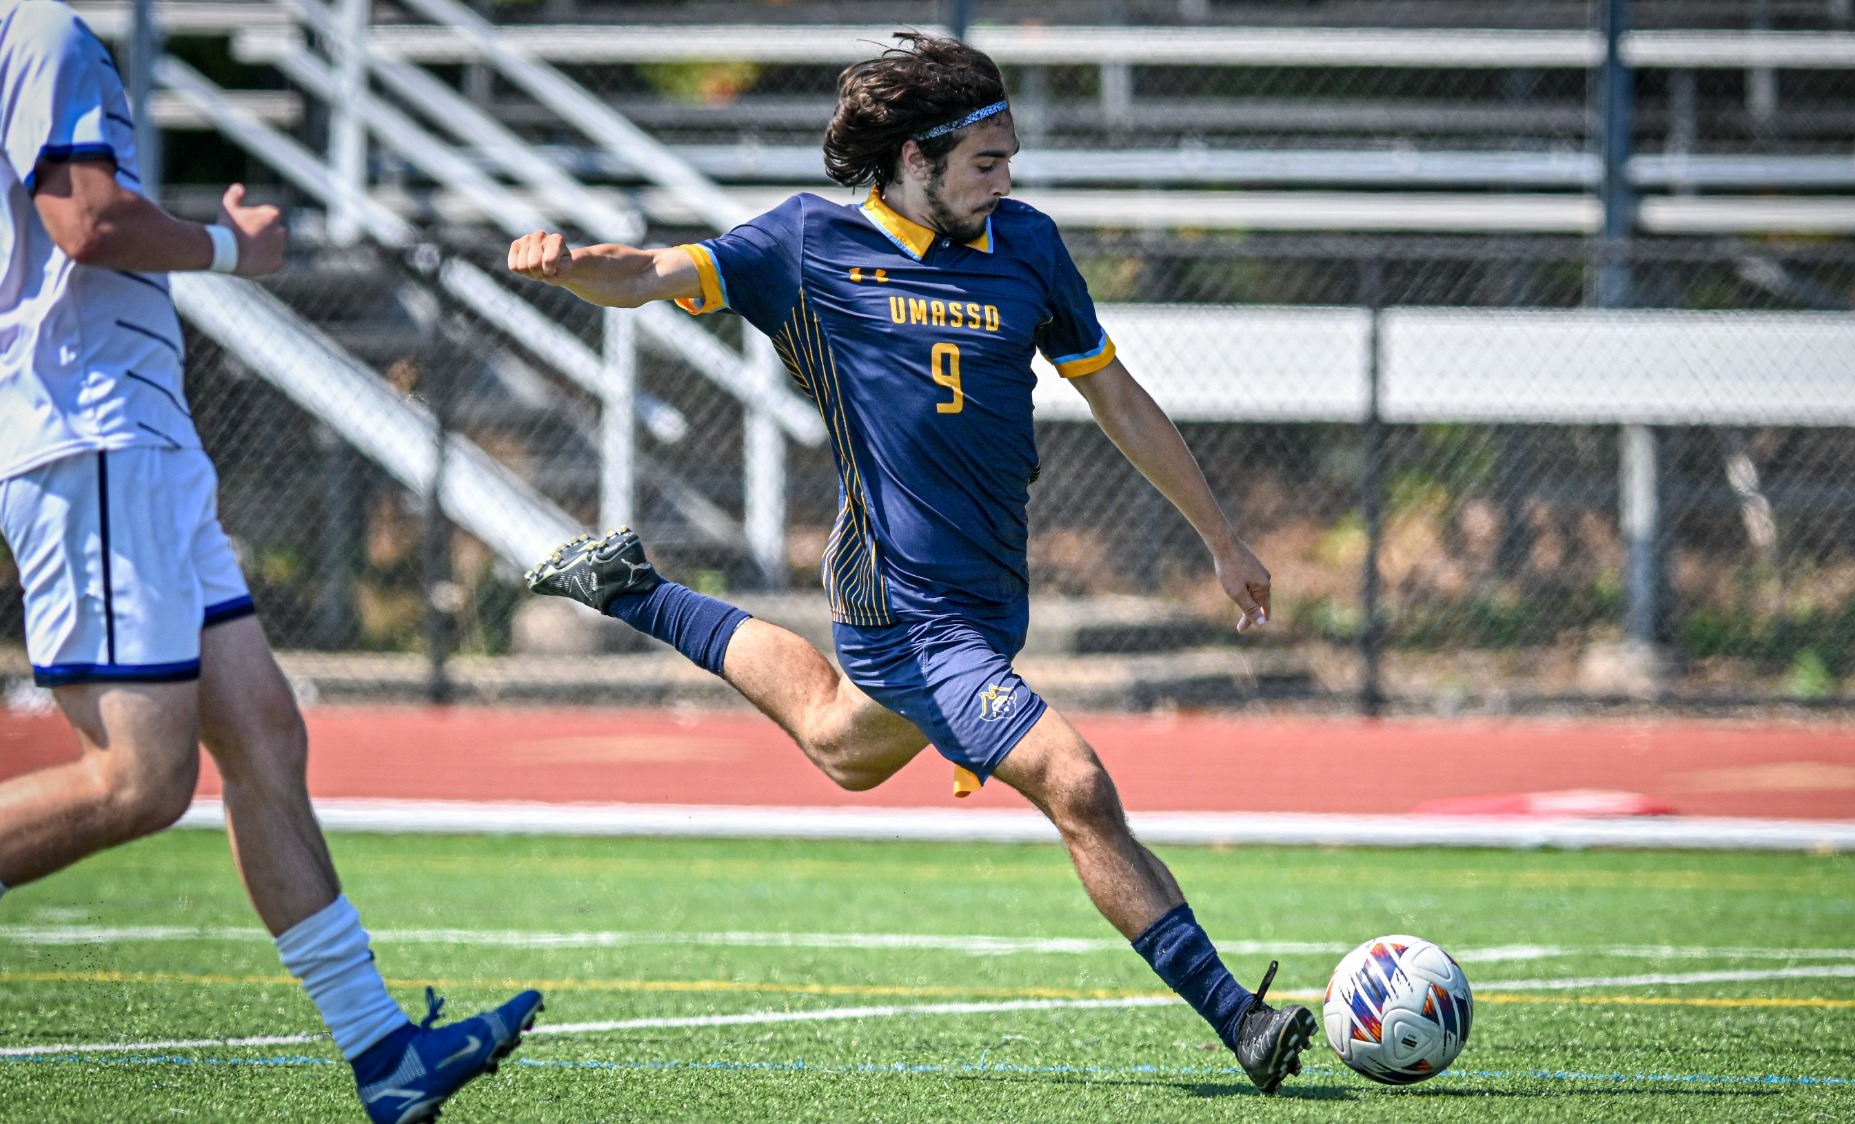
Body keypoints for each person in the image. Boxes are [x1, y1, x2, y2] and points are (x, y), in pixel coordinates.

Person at [510, 32, 1316, 1092]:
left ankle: (633, 588)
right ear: (910, 160)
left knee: (842, 742)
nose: (1005, 179)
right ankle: (1239, 1019)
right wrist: (573, 267)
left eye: (1009, 158)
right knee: (1073, 782)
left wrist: (1219, 533)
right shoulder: (803, 244)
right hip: (901, 602)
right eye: (985, 162)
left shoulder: (1026, 246)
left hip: (986, 599)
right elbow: (655, 272)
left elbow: (1112, 395)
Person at [0, 3, 538, 1120]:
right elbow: (88, 222)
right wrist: (233, 250)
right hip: (95, 438)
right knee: (138, 783)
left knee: (263, 733)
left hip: (132, 442)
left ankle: (383, 1052)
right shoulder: (39, 27)